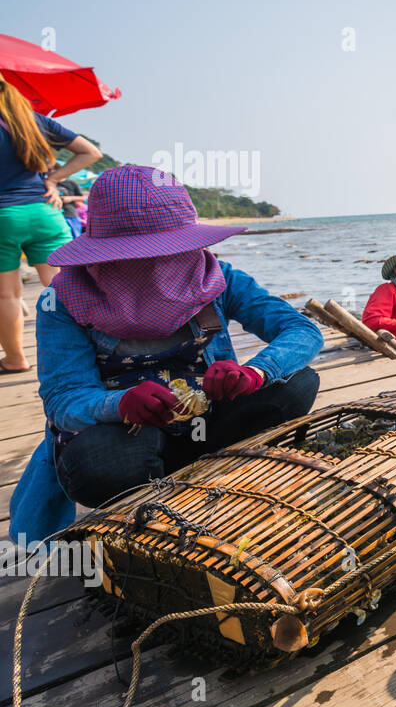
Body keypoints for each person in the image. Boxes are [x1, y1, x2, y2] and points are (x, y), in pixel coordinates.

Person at [9, 165, 324, 542]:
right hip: (127, 441)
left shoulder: (218, 279)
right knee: (100, 464)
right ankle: (148, 511)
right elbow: (64, 400)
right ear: (105, 255)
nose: (155, 266)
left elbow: (301, 330)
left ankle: (213, 476)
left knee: (296, 383)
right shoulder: (63, 301)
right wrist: (120, 404)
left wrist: (256, 371)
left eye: (169, 253)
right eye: (135, 257)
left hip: (207, 426)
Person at [0, 79, 101, 372]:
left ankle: (16, 359)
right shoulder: (32, 120)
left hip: (4, 216)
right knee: (64, 288)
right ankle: (96, 351)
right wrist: (53, 180)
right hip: (46, 211)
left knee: (7, 294)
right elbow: (90, 152)